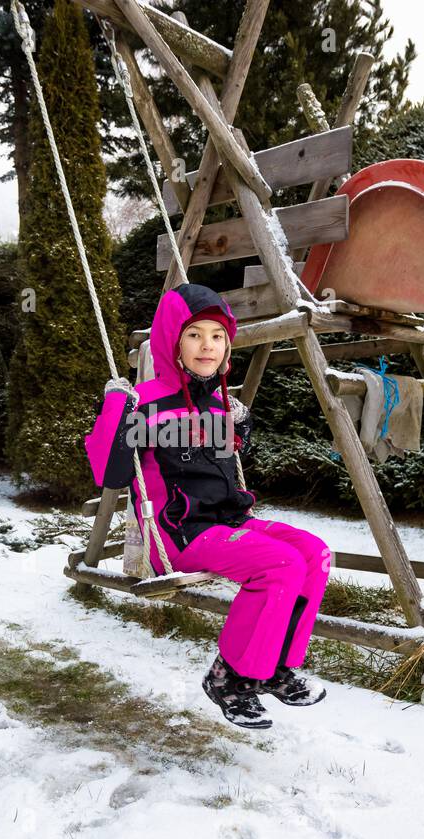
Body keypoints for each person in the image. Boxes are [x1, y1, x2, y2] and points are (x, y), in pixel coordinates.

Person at [84, 283, 331, 729]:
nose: (208, 346)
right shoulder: (146, 402)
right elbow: (110, 474)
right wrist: (115, 410)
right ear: (172, 341)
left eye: (217, 336)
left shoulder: (218, 403)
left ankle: (276, 667)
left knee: (314, 553)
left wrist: (242, 422)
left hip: (227, 521)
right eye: (195, 334)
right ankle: (229, 678)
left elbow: (227, 456)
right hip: (177, 533)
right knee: (279, 565)